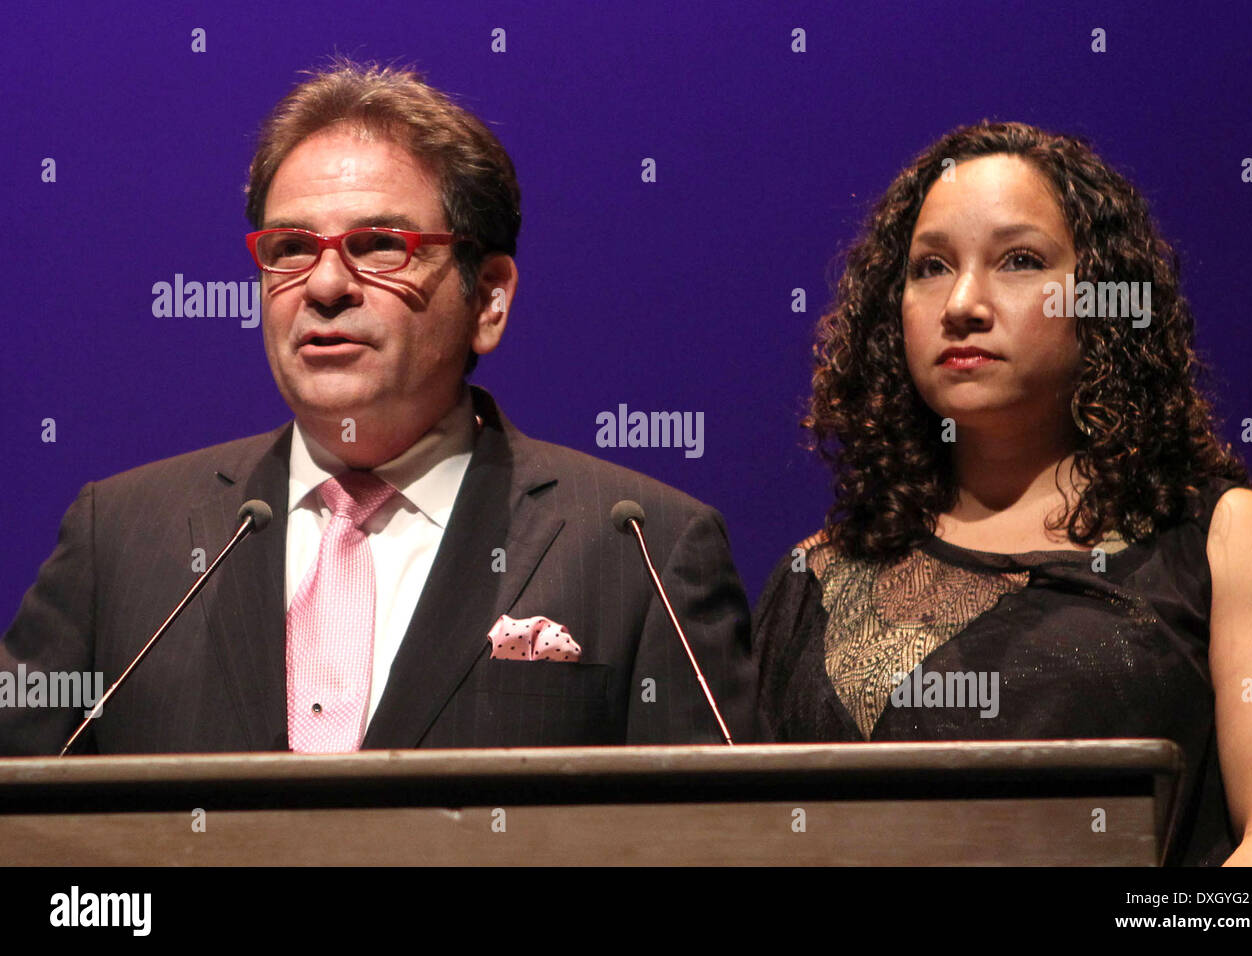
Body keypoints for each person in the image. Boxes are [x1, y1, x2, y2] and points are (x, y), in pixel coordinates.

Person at [0, 58, 755, 755]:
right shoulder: (122, 538)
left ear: (488, 298)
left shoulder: (639, 546)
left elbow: (723, 841)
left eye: (378, 244)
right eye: (291, 247)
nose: (325, 286)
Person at [754, 121, 1252, 866]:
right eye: (930, 267)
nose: (964, 303)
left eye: (1019, 261)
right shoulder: (815, 578)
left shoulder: (1225, 541)